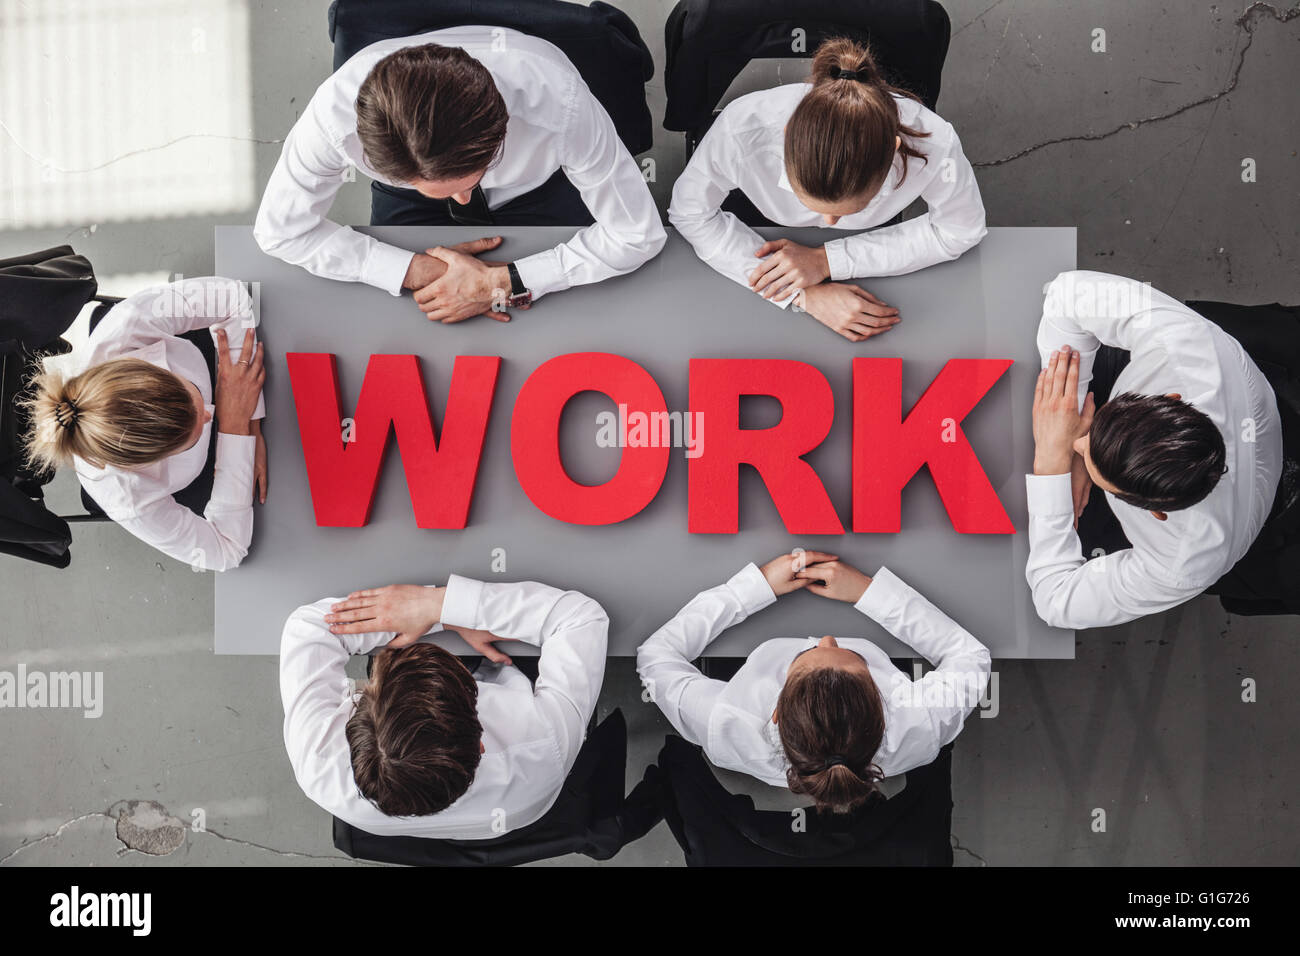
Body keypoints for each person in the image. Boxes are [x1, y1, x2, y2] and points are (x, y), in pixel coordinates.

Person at [254, 26, 665, 324]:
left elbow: (637, 234)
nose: (461, 205)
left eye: (469, 182)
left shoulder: (562, 105)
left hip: (540, 187)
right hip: (409, 194)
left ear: (501, 130)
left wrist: (504, 282)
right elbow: (280, 230)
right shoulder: (332, 117)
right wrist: (415, 271)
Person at [668, 37, 986, 343]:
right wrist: (803, 294)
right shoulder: (740, 130)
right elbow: (690, 213)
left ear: (892, 152)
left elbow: (961, 229)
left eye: (851, 208)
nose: (831, 224)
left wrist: (825, 260)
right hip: (756, 228)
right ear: (786, 136)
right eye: (807, 198)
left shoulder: (937, 144)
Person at [280, 574, 631, 844]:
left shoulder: (319, 762)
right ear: (481, 745)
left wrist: (442, 618)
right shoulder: (541, 746)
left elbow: (308, 628)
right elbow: (581, 618)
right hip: (505, 671)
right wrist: (439, 607)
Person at [636, 549, 990, 811]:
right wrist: (869, 592)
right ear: (884, 707)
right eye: (853, 659)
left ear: (774, 709)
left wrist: (749, 590)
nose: (826, 639)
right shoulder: (920, 724)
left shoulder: (725, 723)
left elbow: (656, 658)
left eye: (803, 661)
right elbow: (971, 659)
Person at [1027, 270, 1284, 629]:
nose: (1077, 439)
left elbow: (1055, 602)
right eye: (1096, 430)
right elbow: (1066, 293)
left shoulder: (1185, 561)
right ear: (1169, 396)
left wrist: (1052, 464)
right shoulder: (1188, 347)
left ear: (1157, 515)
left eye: (1084, 449)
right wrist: (1070, 423)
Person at [22, 277, 266, 571]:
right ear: (144, 462)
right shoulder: (128, 498)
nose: (208, 415)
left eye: (189, 392)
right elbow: (225, 551)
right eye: (190, 437)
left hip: (216, 372)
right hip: (211, 460)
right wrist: (235, 430)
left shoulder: (125, 327)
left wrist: (251, 422)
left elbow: (231, 296)